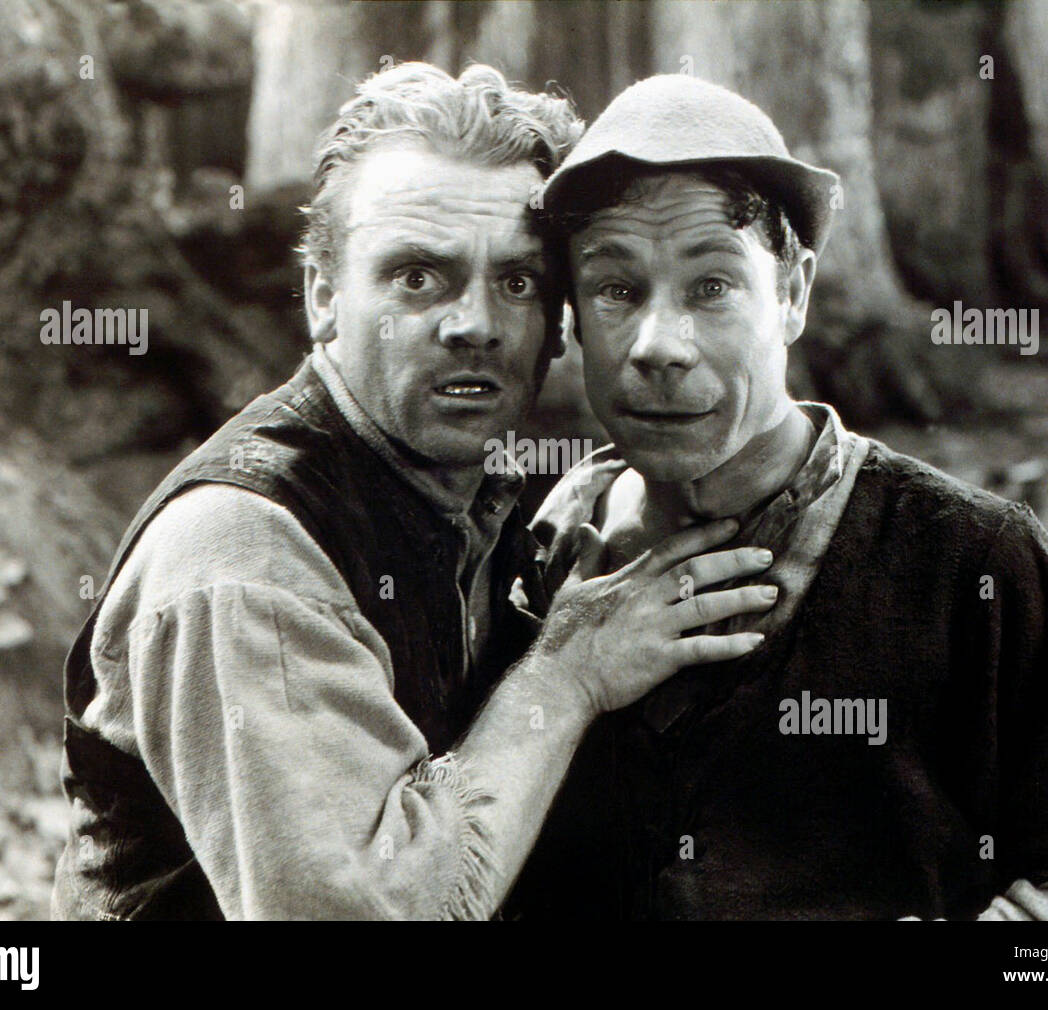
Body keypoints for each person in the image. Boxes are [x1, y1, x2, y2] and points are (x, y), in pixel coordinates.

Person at [50, 64, 778, 920]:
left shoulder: (472, 494)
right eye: (418, 277)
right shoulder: (245, 552)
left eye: (518, 281)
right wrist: (566, 676)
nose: (476, 323)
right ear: (324, 297)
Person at [505, 74, 1048, 921]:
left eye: (712, 287)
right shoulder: (532, 557)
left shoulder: (969, 565)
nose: (658, 345)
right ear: (572, 316)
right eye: (617, 290)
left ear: (792, 294)